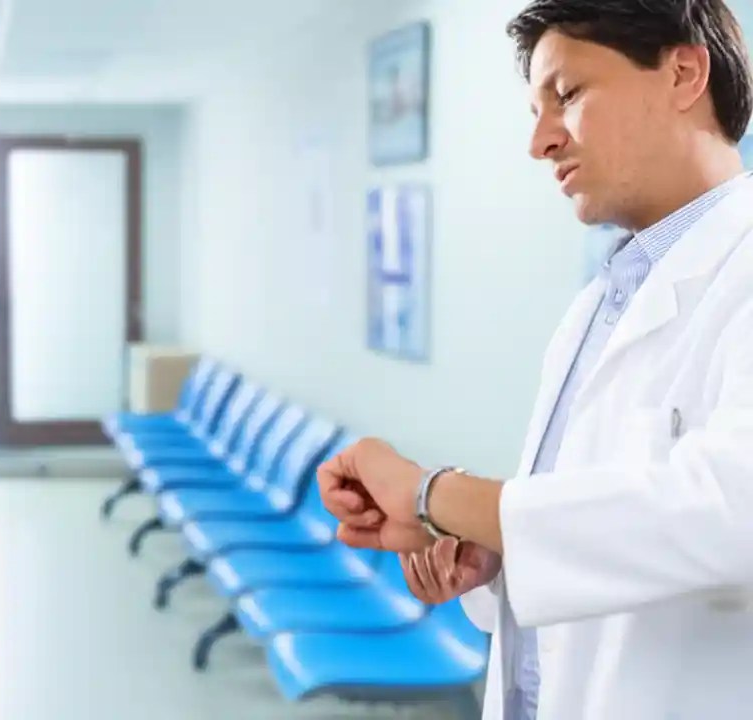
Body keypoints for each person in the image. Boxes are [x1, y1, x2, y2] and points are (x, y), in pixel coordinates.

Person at [316, 1, 753, 719]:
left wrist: (432, 495)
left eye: (568, 95)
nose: (541, 142)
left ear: (682, 73)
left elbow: (730, 512)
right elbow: (611, 515)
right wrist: (491, 551)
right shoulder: (598, 305)